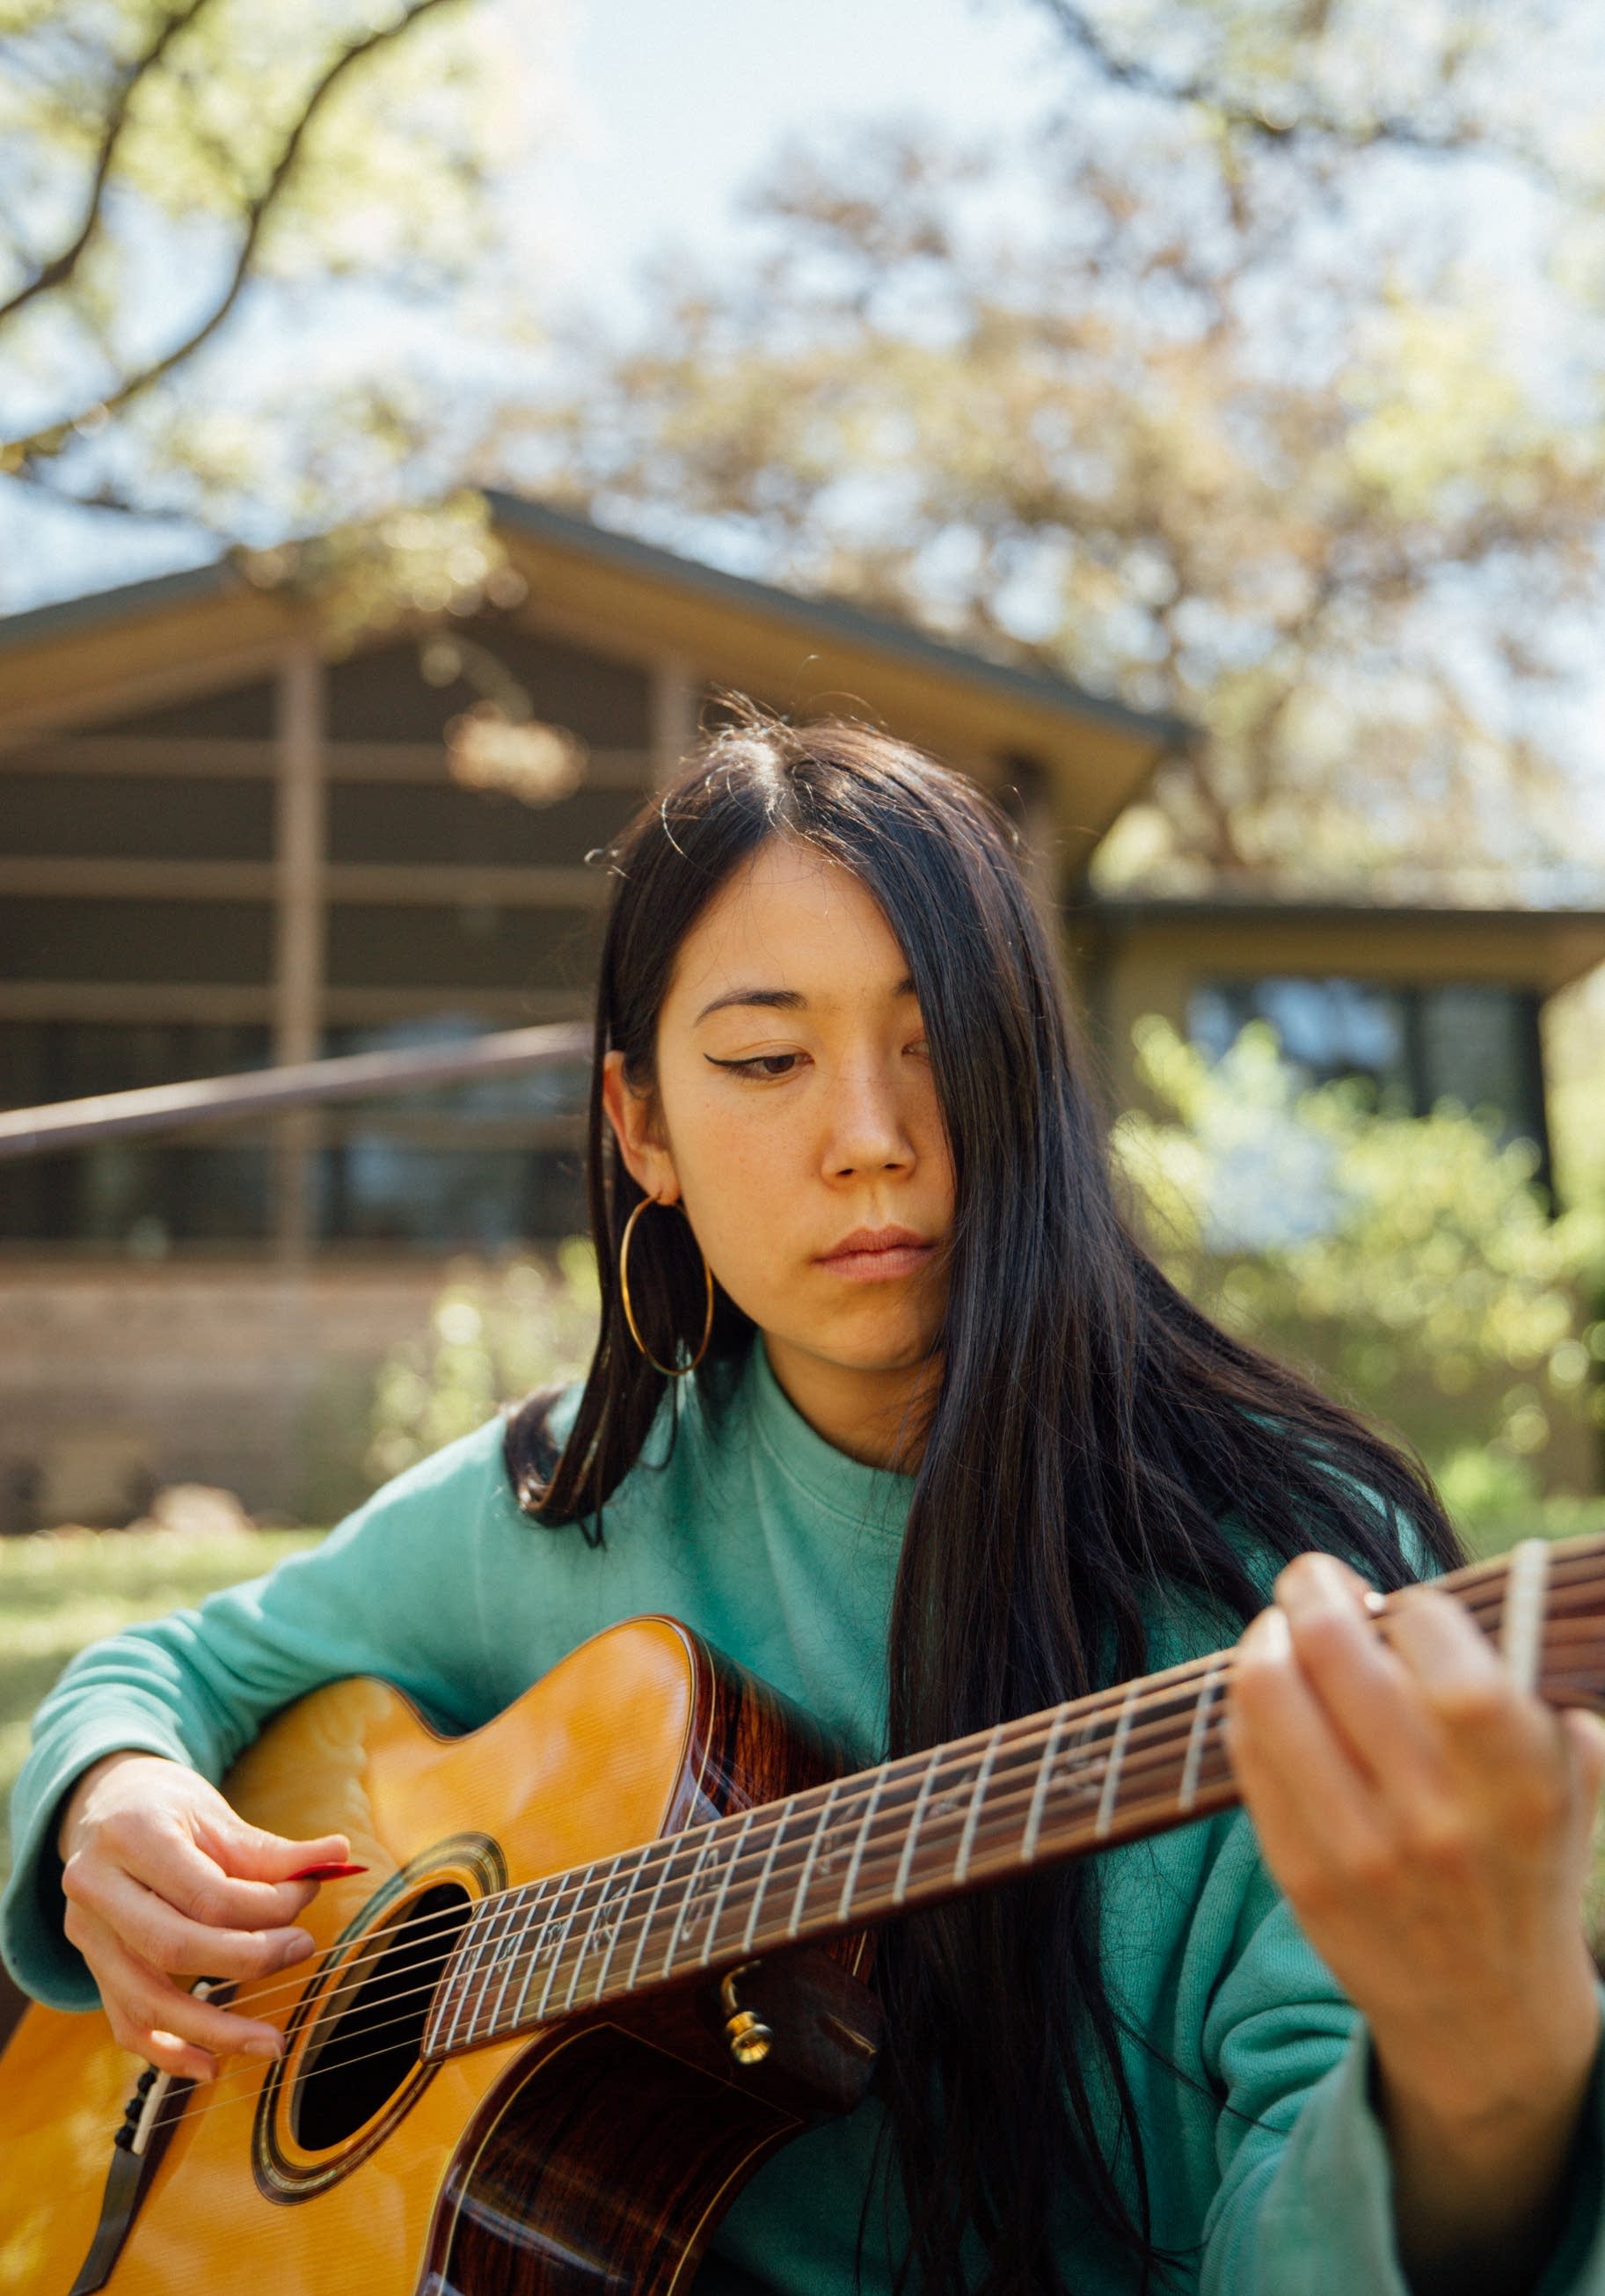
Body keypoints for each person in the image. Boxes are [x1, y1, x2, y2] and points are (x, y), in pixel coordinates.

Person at [4, 713, 1604, 2296]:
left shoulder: (1295, 1575)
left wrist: (1482, 2068)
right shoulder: (573, 1499)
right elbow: (187, 1664)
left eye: (940, 1047)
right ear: (642, 1128)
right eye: (766, 1060)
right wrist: (112, 1793)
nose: (871, 1140)